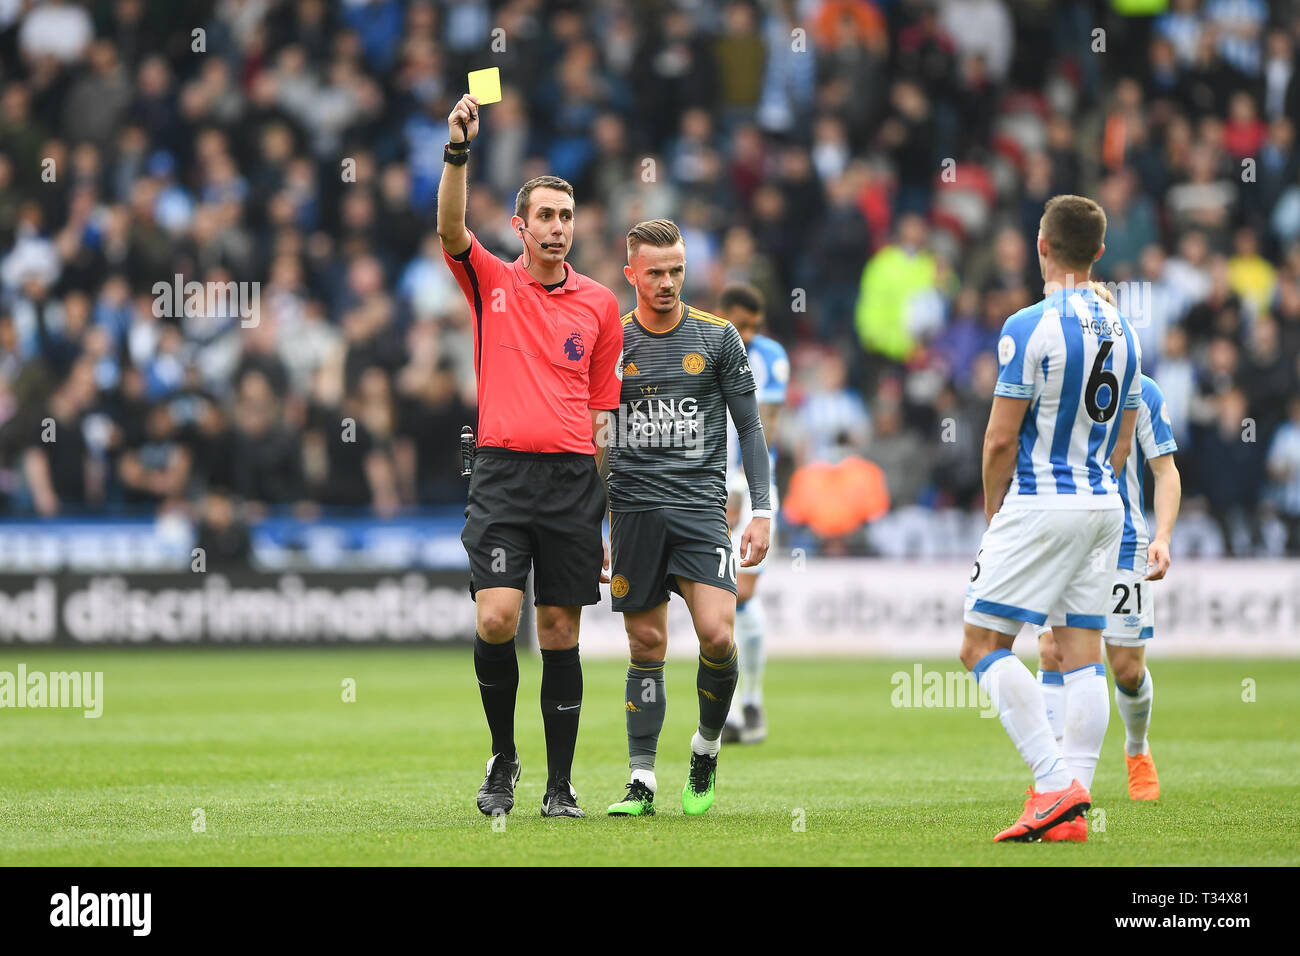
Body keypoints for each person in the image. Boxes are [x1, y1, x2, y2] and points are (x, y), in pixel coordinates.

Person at [437, 92, 624, 819]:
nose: (556, 227)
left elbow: (605, 413)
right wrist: (458, 149)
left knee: (558, 632)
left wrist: (602, 508)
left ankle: (560, 784)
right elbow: (450, 225)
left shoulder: (602, 305)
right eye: (544, 216)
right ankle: (504, 756)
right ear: (520, 226)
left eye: (566, 217)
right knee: (495, 619)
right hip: (502, 473)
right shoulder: (492, 280)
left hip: (574, 479)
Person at [957, 195, 1142, 843]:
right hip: (1103, 503)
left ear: (1041, 245)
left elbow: (998, 441)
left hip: (1042, 502)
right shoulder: (1125, 328)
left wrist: (992, 509)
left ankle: (1052, 780)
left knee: (980, 646)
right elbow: (1124, 436)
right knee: (1076, 652)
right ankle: (1071, 808)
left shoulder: (1029, 324)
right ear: (1098, 251)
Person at [603, 219, 772, 817]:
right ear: (632, 275)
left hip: (701, 510)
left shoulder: (720, 336)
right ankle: (641, 779)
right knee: (646, 644)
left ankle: (706, 746)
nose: (668, 281)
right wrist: (592, 523)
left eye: (676, 270)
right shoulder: (611, 339)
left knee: (719, 634)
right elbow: (598, 435)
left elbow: (750, 428)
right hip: (634, 512)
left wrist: (762, 511)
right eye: (655, 272)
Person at [1036, 372, 1181, 841]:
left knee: (1126, 670)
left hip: (1124, 547)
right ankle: (1056, 781)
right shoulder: (1058, 383)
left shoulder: (1142, 390)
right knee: (1051, 651)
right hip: (1068, 542)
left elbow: (1165, 471)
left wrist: (1162, 537)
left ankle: (1136, 749)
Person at [717, 283, 788, 744]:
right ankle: (738, 707)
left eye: (754, 327)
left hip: (752, 487)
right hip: (707, 487)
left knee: (741, 593)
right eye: (741, 324)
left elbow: (767, 422)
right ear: (723, 316)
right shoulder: (706, 344)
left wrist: (743, 485)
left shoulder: (770, 356)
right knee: (722, 601)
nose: (748, 333)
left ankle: (750, 704)